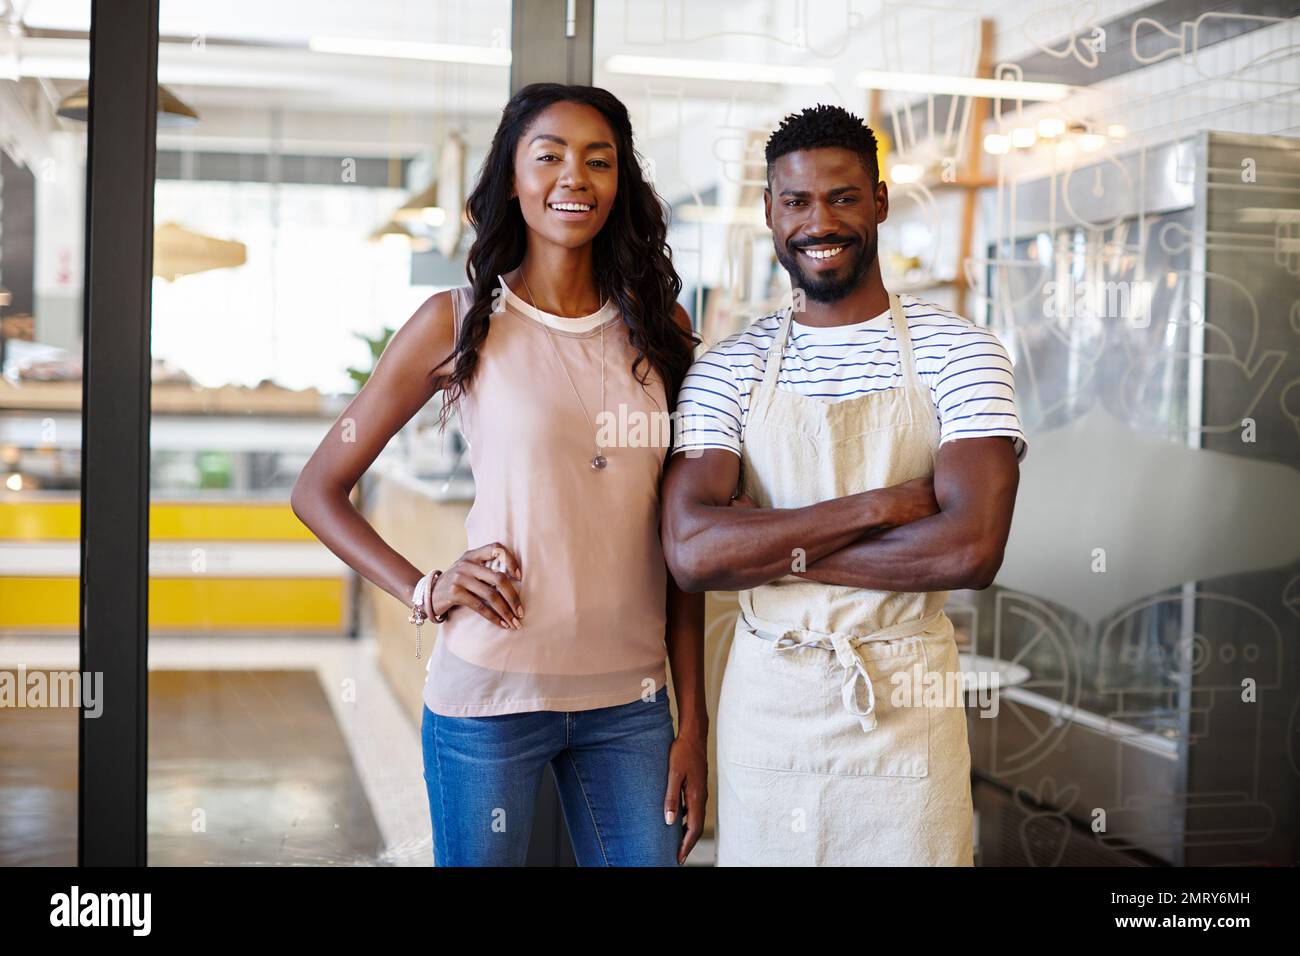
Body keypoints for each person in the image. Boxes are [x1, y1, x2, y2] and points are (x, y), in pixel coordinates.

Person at [291, 83, 706, 867]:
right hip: (489, 696)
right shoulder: (455, 322)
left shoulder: (663, 328)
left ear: (621, 184)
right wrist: (426, 587)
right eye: (547, 156)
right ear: (512, 178)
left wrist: (695, 722)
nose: (573, 177)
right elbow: (317, 489)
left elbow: (682, 539)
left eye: (598, 160)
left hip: (633, 706)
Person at [660, 104, 1027, 866]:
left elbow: (970, 551)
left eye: (843, 197)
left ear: (881, 202)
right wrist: (879, 509)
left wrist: (766, 544)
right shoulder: (728, 365)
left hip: (903, 703)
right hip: (769, 708)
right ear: (769, 212)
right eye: (795, 201)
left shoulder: (962, 352)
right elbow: (694, 554)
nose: (818, 221)